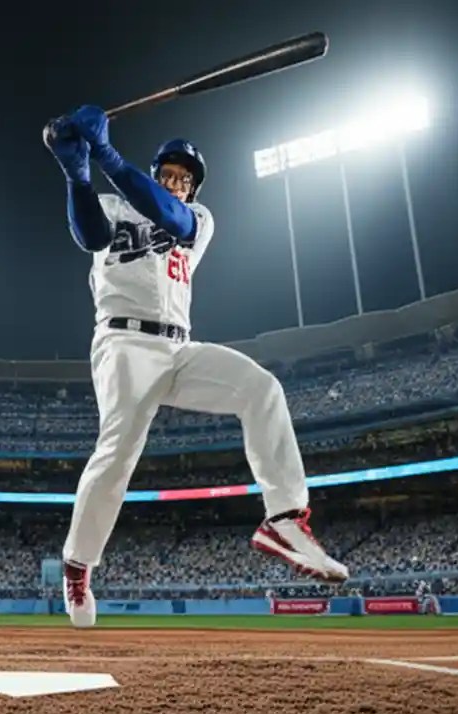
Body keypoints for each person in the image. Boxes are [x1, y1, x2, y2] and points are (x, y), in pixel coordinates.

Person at [42, 105, 349, 628]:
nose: (177, 182)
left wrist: (106, 155)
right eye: (169, 173)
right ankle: (78, 566)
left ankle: (285, 519)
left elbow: (172, 217)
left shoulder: (199, 219)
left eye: (185, 178)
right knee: (118, 452)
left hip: (180, 349)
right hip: (123, 342)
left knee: (262, 388)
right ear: (156, 171)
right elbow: (90, 235)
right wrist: (76, 173)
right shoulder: (116, 203)